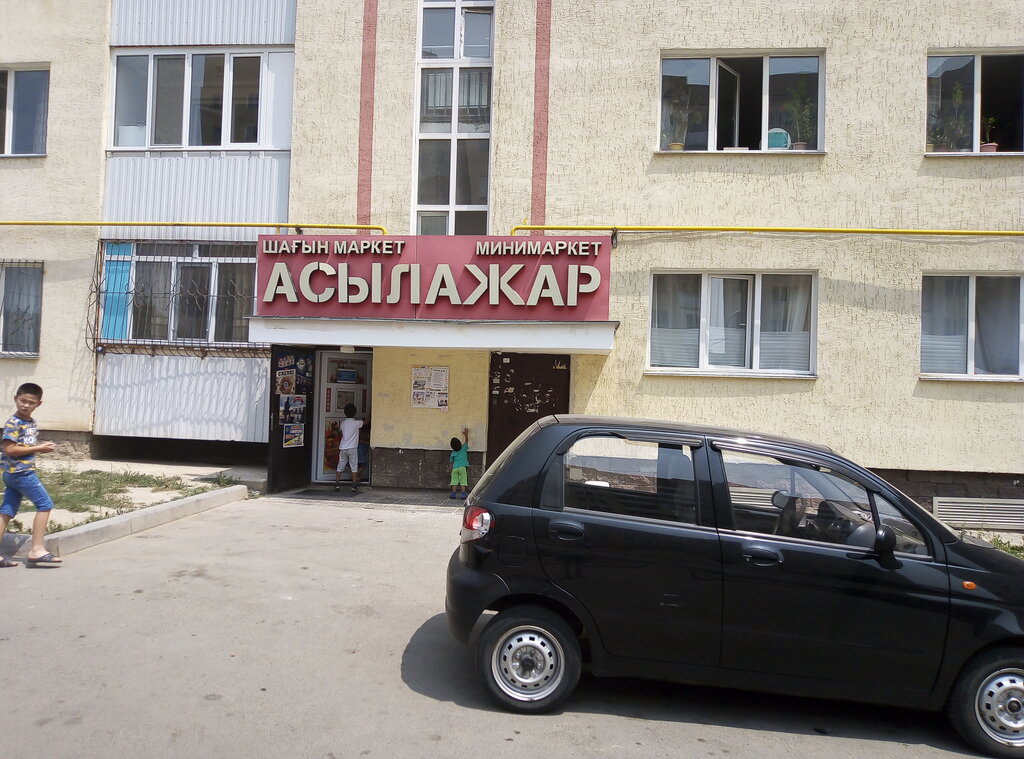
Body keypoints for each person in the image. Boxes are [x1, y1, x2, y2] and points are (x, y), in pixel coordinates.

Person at [0, 383, 62, 567]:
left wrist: (38, 448)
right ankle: (36, 550)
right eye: (23, 401)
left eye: (31, 403)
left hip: (16, 473)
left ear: (38, 404)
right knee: (45, 504)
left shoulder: (30, 422)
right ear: (15, 399)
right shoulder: (13, 423)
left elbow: (23, 446)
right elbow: (9, 449)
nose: (26, 405)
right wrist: (39, 448)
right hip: (21, 473)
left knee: (7, 511)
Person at [334, 403, 367, 493]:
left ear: (345, 413)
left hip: (343, 447)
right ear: (355, 413)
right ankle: (354, 485)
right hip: (352, 447)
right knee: (354, 466)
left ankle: (337, 483)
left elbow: (340, 433)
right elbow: (366, 422)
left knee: (340, 465)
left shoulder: (343, 423)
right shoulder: (357, 423)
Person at [449, 427, 470, 499]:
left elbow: (451, 461)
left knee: (454, 481)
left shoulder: (453, 453)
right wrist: (466, 434)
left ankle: (453, 494)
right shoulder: (464, 448)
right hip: (462, 468)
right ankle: (463, 494)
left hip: (455, 468)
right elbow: (466, 441)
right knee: (463, 480)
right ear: (460, 443)